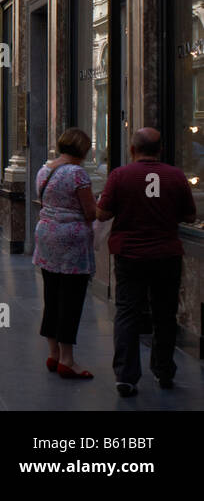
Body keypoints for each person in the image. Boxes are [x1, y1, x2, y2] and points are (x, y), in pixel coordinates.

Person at [97, 127, 197, 397]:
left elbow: (103, 213)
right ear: (161, 149)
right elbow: (190, 216)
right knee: (165, 314)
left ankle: (126, 377)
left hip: (130, 255)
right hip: (166, 254)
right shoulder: (175, 176)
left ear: (132, 150)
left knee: (128, 312)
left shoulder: (120, 176)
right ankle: (164, 370)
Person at [33, 128, 97, 380]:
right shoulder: (77, 173)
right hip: (71, 240)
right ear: (82, 150)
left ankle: (53, 354)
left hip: (46, 235)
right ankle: (68, 360)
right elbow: (90, 212)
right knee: (71, 298)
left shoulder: (44, 169)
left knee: (52, 295)